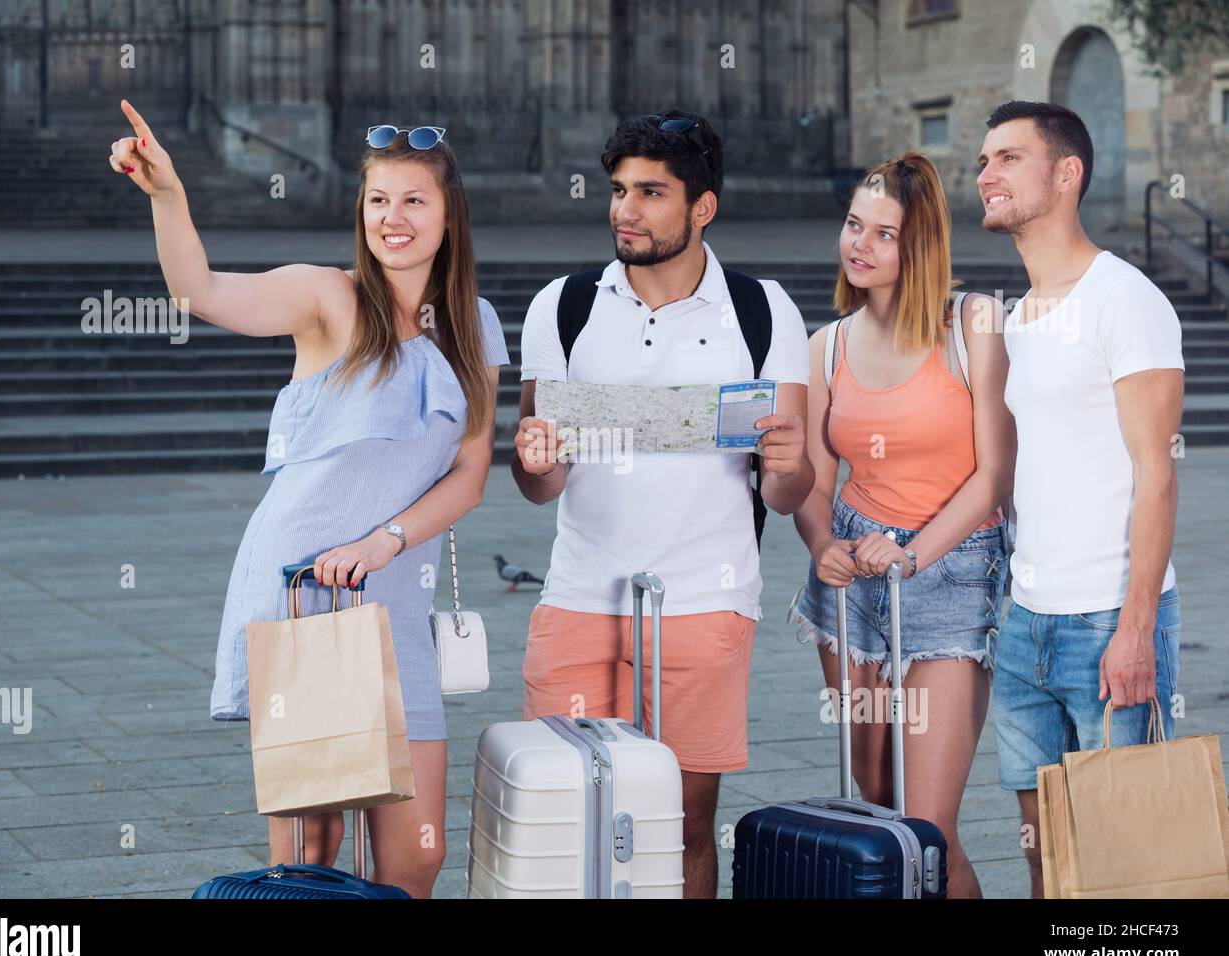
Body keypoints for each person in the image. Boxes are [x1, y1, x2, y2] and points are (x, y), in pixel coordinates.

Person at [107, 101, 508, 898]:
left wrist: (386, 541)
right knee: (311, 852)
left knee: (416, 856)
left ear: (448, 215)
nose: (393, 219)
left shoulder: (475, 325)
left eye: (414, 200)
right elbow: (199, 291)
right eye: (378, 201)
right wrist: (167, 195)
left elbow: (469, 474)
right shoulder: (328, 299)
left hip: (392, 592)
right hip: (309, 593)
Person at [512, 109, 815, 899]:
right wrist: (535, 461)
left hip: (705, 600)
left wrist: (791, 463)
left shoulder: (762, 308)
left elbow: (786, 494)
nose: (625, 211)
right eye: (618, 191)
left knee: (683, 824)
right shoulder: (563, 304)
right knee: (568, 816)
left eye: (650, 192)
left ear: (701, 207)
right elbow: (539, 485)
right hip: (579, 596)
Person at [791, 151, 1016, 898]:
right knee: (873, 808)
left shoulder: (972, 324)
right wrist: (824, 544)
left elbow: (992, 479)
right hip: (855, 577)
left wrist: (913, 554)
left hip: (947, 574)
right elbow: (817, 485)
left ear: (917, 246)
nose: (860, 244)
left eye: (884, 234)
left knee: (927, 832)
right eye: (855, 225)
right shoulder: (827, 347)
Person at [977, 100, 1184, 898]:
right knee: (1045, 855)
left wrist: (1135, 629)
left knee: (1118, 863)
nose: (987, 174)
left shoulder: (1124, 300)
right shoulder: (1022, 316)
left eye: (1008, 158)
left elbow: (1157, 473)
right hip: (1025, 621)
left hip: (1109, 622)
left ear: (1067, 175)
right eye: (985, 160)